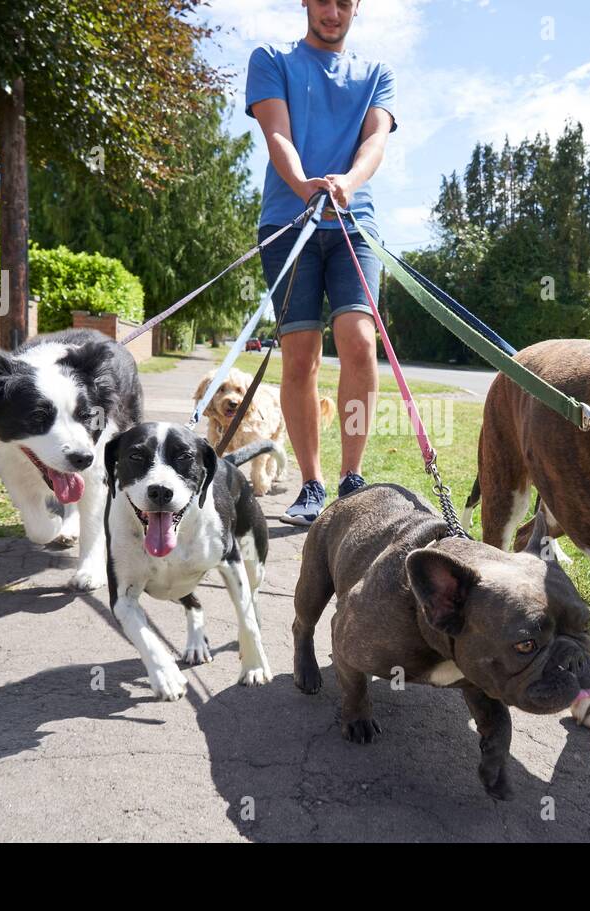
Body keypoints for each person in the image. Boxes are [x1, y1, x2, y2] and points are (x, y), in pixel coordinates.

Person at [246, 0, 396, 525]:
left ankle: (351, 481)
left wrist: (347, 186)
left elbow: (375, 140)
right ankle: (311, 484)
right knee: (301, 355)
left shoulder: (376, 73)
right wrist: (305, 185)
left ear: (357, 6)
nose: (332, 10)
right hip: (289, 225)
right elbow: (277, 135)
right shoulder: (272, 58)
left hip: (354, 226)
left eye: (343, 1)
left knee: (359, 340)